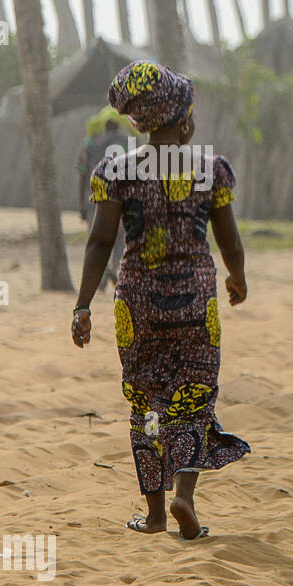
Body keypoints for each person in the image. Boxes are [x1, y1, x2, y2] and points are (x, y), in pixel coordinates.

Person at [71, 60, 250, 540]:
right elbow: (229, 242)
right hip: (195, 303)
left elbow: (99, 243)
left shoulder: (117, 170)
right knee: (193, 397)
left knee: (146, 401)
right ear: (184, 120)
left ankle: (152, 516)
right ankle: (184, 498)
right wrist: (238, 279)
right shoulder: (210, 169)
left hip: (137, 304)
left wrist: (82, 306)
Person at [77, 109, 134, 291]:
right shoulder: (128, 143)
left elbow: (82, 174)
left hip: (93, 197)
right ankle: (116, 269)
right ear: (119, 125)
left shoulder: (90, 143)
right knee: (119, 239)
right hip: (120, 198)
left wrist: (81, 204)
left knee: (96, 239)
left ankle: (99, 280)